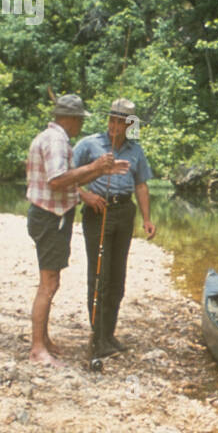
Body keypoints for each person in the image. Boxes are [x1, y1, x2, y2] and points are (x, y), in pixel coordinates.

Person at [26, 94, 129, 366]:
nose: (81, 125)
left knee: (51, 281)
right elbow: (58, 181)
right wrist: (95, 166)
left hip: (48, 217)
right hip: (51, 218)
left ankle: (44, 340)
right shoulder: (57, 142)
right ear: (70, 119)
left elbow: (70, 179)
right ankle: (37, 348)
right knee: (48, 284)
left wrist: (100, 171)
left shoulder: (50, 138)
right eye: (80, 120)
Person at [73, 98, 156, 361]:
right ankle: (97, 338)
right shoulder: (89, 145)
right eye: (111, 120)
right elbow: (65, 176)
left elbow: (141, 185)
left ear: (129, 125)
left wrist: (146, 218)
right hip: (98, 211)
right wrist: (84, 197)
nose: (114, 126)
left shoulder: (136, 150)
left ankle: (109, 334)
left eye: (120, 122)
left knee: (117, 277)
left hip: (124, 212)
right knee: (100, 276)